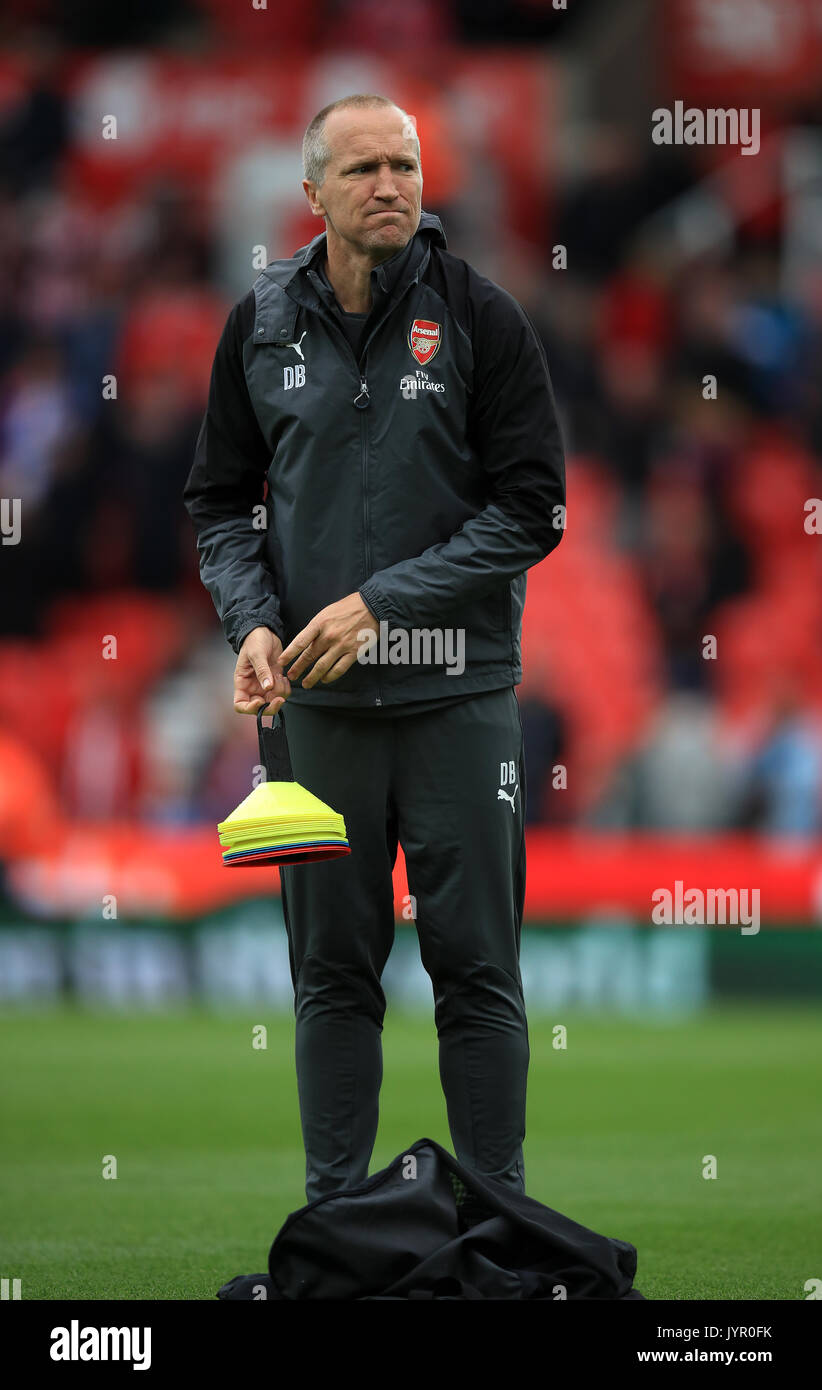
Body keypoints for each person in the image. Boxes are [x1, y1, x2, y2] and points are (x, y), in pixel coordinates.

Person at [183, 93, 565, 1202]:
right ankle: (331, 1231)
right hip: (320, 721)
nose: (391, 184)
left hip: (461, 702)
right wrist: (250, 619)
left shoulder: (485, 318)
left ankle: (502, 1223)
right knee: (331, 984)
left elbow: (534, 511)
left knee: (480, 978)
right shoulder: (257, 325)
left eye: (405, 164)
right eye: (362, 170)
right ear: (312, 196)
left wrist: (380, 605)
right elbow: (218, 503)